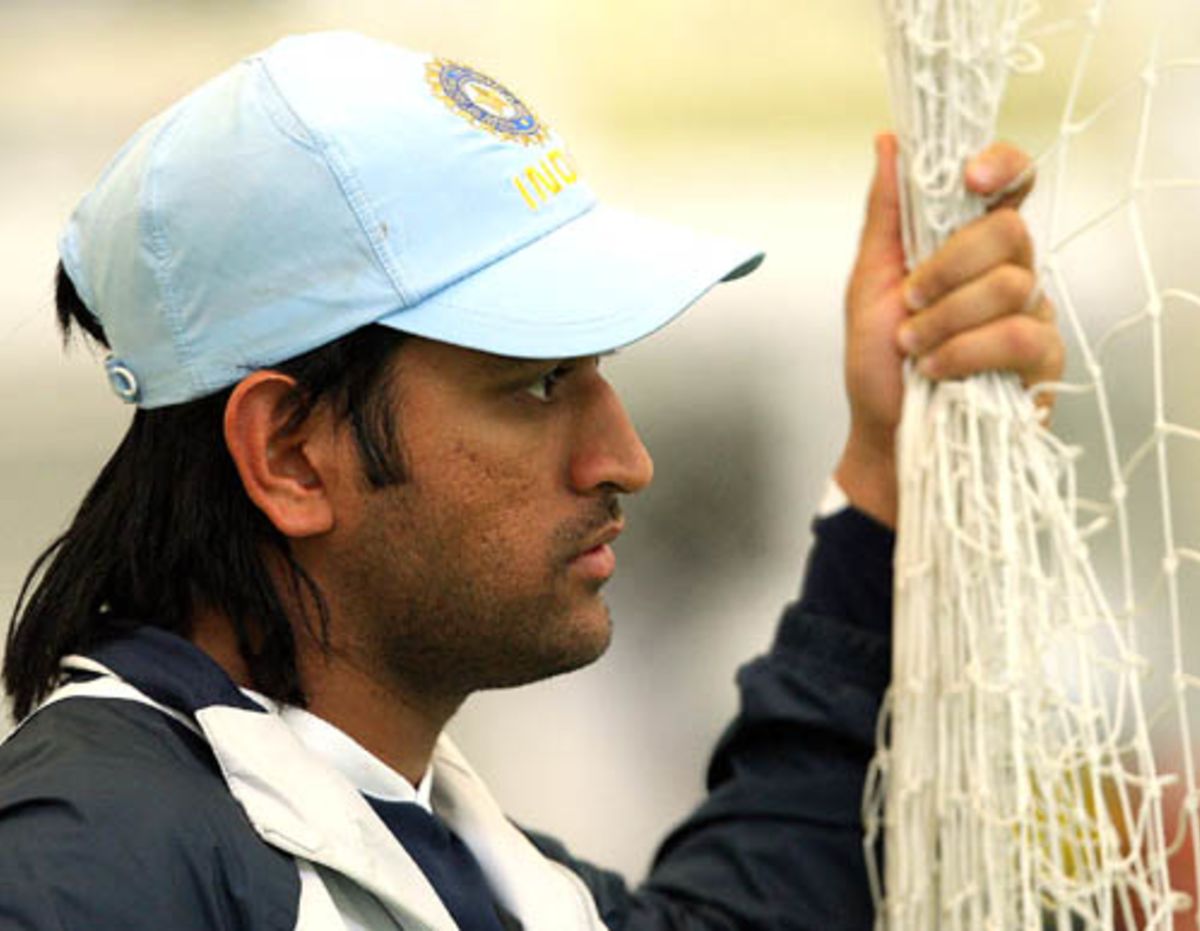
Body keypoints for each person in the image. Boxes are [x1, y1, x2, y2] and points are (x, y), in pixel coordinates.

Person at [0, 30, 1060, 931]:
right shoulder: (84, 867)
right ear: (286, 454)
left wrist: (889, 471)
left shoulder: (416, 838)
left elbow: (749, 907)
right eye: (539, 383)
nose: (624, 458)